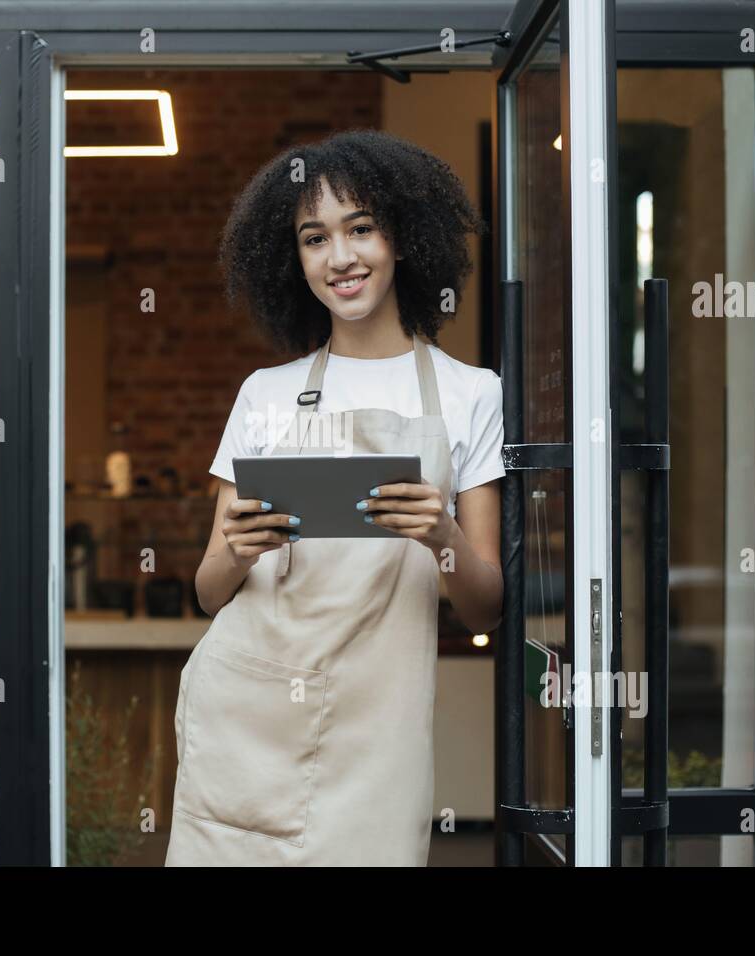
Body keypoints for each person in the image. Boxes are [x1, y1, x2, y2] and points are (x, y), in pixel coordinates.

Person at [165, 129, 505, 866]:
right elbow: (206, 591)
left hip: (380, 736)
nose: (340, 257)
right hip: (248, 716)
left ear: (403, 238)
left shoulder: (470, 394)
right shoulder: (265, 393)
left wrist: (442, 536)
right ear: (295, 258)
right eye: (314, 238)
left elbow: (485, 608)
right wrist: (236, 547)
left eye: (361, 229)